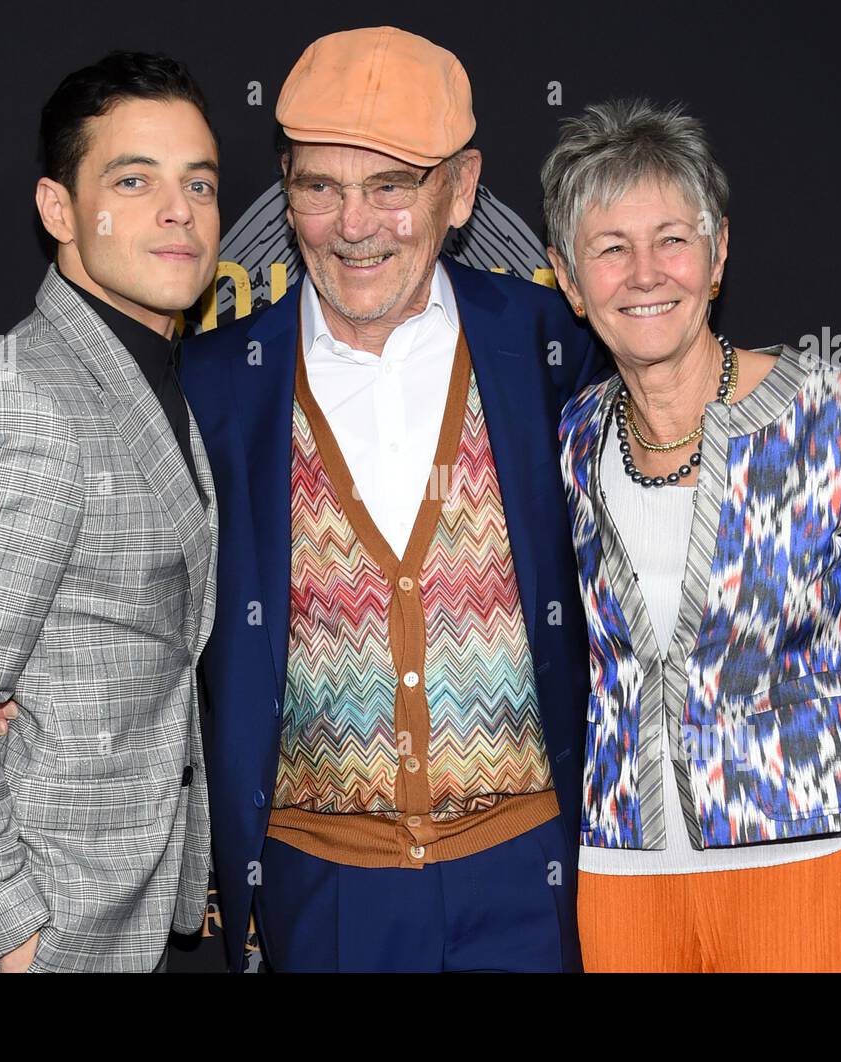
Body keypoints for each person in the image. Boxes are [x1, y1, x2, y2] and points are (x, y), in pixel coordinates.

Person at [178, 26, 608, 972]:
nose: (353, 224)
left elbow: (679, 500)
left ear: (460, 191)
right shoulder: (215, 383)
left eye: (390, 187)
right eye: (319, 187)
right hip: (321, 892)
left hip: (534, 878)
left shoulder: (554, 346)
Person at [544, 98, 841, 972]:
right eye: (610, 249)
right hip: (621, 872)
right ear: (569, 280)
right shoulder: (574, 438)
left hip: (803, 857)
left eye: (672, 238)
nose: (645, 273)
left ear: (716, 255)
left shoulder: (840, 420)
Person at [0, 51, 221, 973]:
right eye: (134, 179)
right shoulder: (27, 404)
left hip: (117, 902)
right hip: (45, 923)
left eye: (199, 181)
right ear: (59, 210)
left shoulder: (148, 377)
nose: (179, 209)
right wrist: (8, 934)